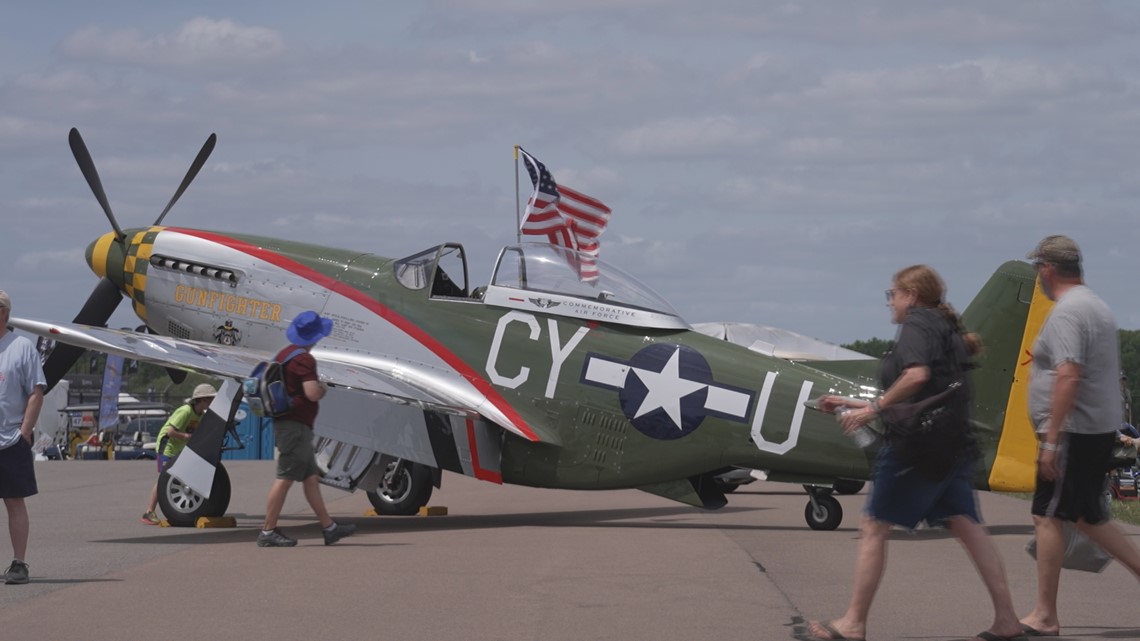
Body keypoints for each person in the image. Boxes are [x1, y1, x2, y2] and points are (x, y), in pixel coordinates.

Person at [806, 266, 1023, 641]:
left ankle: (853, 623)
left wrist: (872, 410)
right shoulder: (946, 326)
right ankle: (1007, 620)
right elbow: (930, 391)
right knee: (968, 526)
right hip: (952, 443)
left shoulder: (917, 325)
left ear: (912, 295)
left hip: (916, 448)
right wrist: (852, 402)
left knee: (873, 526)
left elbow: (917, 376)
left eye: (893, 294)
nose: (890, 301)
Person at [1018, 235, 1140, 638]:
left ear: (1048, 268)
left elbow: (1069, 373)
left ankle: (1044, 616)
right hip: (1092, 429)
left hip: (1073, 431)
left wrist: (1051, 441)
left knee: (1047, 515)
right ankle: (1044, 614)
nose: (1037, 275)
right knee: (1088, 517)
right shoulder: (1096, 306)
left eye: (1038, 268)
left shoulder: (1069, 312)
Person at [257, 310, 355, 547]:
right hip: (295, 428)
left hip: (291, 425)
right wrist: (323, 388)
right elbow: (311, 393)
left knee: (311, 478)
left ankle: (329, 528)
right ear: (315, 336)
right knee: (284, 478)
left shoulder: (284, 354)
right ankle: (267, 532)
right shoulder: (304, 359)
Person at [0, 289, 47, 585]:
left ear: (3, 312)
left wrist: (25, 432)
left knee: (14, 501)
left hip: (10, 439)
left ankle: (19, 563)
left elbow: (36, 391)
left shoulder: (21, 347)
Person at [141, 383, 217, 525]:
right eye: (211, 399)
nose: (213, 402)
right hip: (166, 446)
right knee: (164, 479)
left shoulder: (200, 415)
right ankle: (149, 512)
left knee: (179, 476)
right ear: (203, 399)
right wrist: (186, 436)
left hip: (178, 448)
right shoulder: (185, 411)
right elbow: (170, 432)